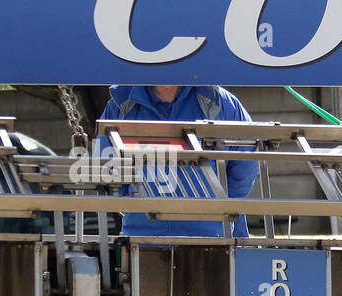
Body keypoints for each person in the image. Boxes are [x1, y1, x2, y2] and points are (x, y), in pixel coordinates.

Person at [98, 85, 259, 237]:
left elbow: (245, 167)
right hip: (143, 239)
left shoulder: (220, 103)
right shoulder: (120, 105)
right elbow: (109, 174)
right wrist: (137, 209)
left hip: (212, 240)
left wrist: (219, 207)